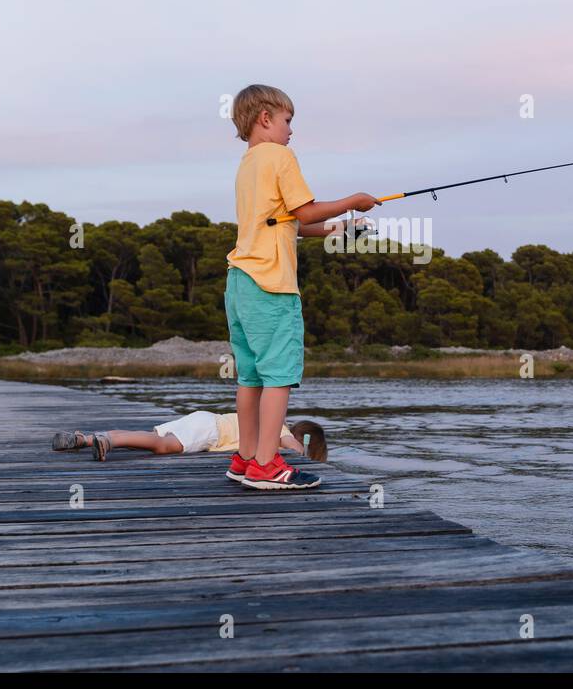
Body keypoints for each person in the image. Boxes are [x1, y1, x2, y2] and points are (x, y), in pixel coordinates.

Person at [224, 83, 378, 489]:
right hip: (272, 285)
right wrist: (353, 200)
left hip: (240, 282)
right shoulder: (280, 155)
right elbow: (304, 209)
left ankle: (244, 458)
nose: (291, 131)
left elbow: (292, 223)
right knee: (278, 375)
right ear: (266, 118)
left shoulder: (248, 164)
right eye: (288, 121)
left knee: (251, 377)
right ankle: (267, 465)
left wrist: (343, 228)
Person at [51, 414, 327, 473]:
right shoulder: (277, 426)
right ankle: (109, 440)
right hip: (211, 431)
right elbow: (291, 444)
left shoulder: (271, 424)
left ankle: (85, 438)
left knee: (151, 442)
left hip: (205, 421)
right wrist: (301, 453)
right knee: (162, 446)